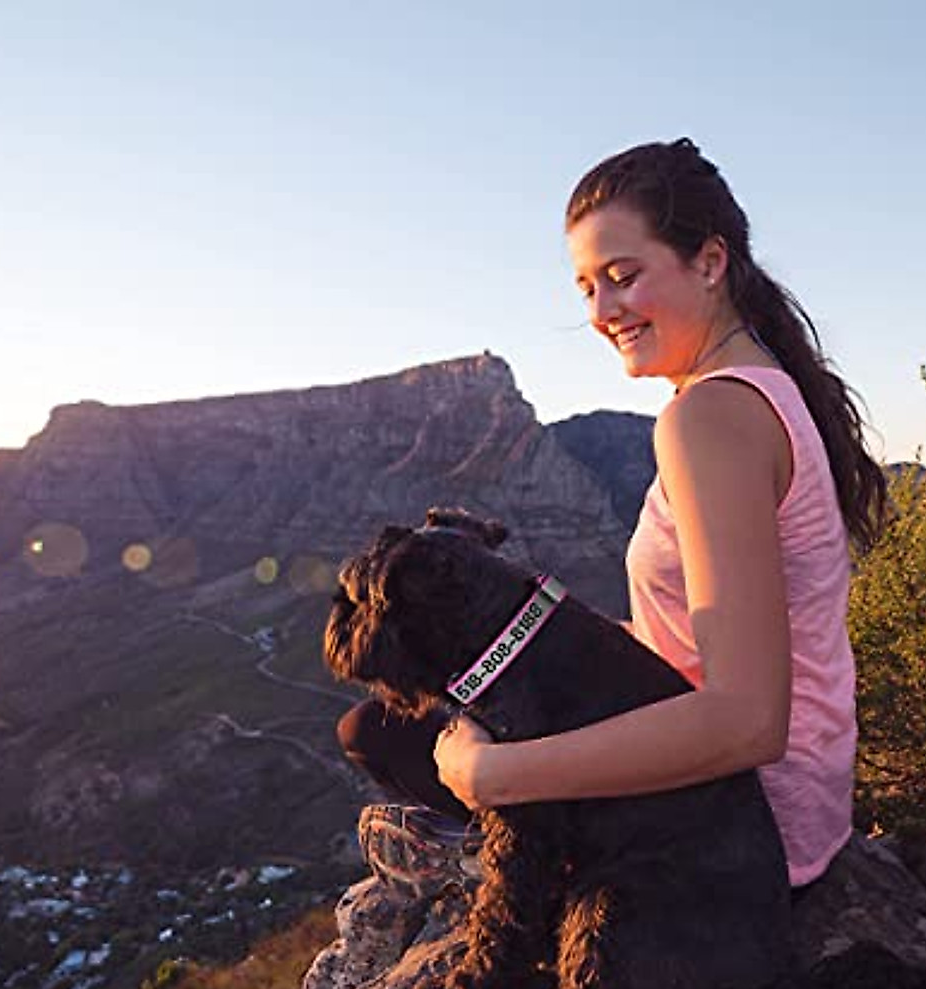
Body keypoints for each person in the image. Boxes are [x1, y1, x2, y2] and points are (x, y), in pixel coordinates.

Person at [340, 137, 886, 892]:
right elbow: (708, 648)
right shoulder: (759, 388)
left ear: (710, 262)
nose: (602, 312)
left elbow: (748, 720)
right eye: (586, 289)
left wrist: (497, 774)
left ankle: (487, 859)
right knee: (439, 703)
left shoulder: (710, 419)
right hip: (796, 807)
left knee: (382, 734)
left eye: (624, 278)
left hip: (736, 831)